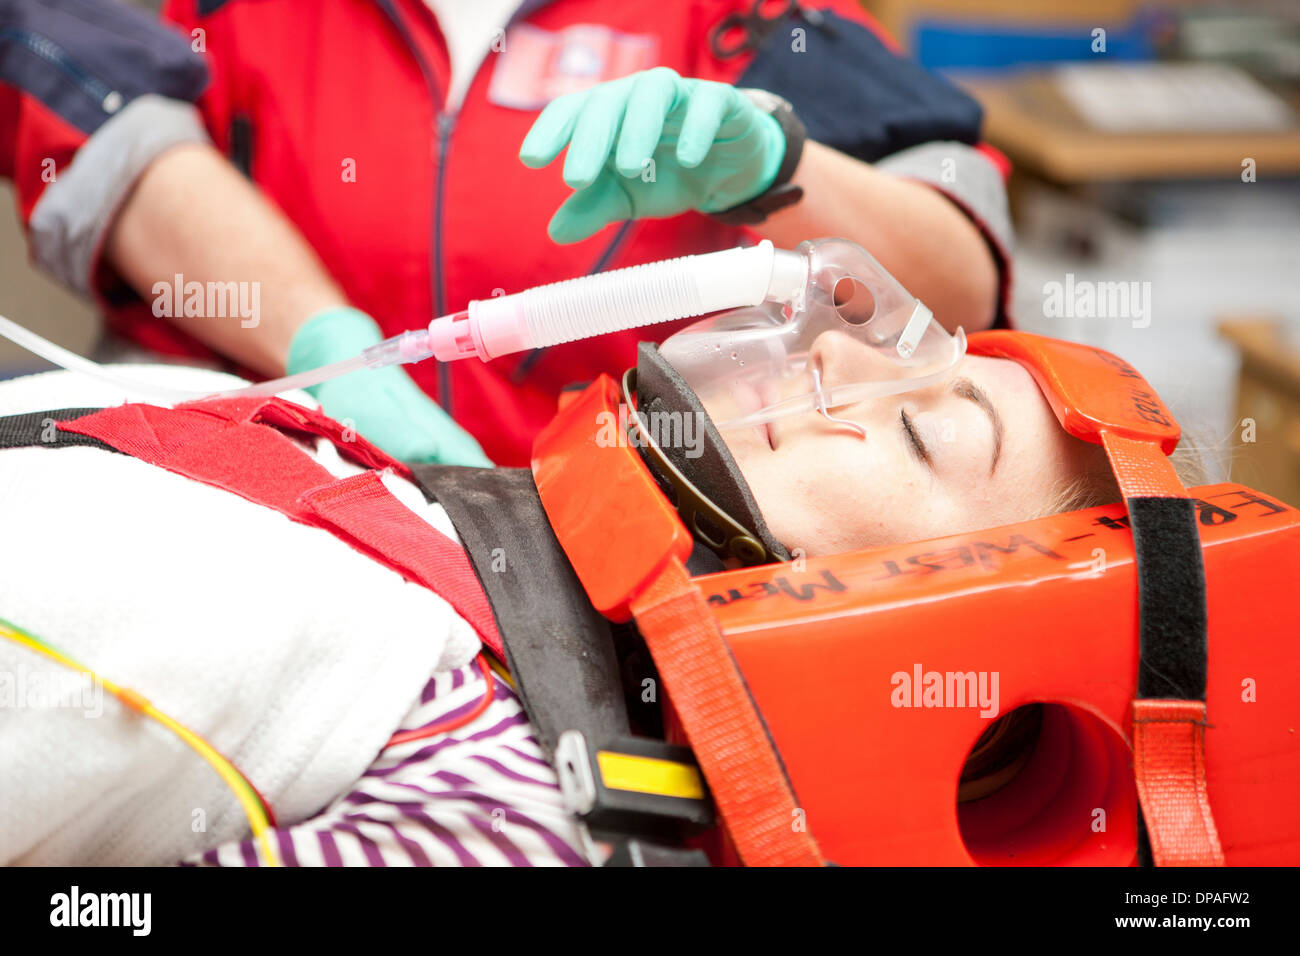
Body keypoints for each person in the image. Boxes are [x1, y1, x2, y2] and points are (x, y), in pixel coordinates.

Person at [0, 320, 1197, 867]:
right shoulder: (458, 533)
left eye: (928, 434)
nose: (836, 354)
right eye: (912, 353)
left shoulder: (523, 808)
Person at [0, 0, 1013, 466]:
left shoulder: (742, 12)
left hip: (631, 593)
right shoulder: (226, 16)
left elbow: (960, 291)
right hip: (291, 539)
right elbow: (104, 135)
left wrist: (778, 164)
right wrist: (326, 352)